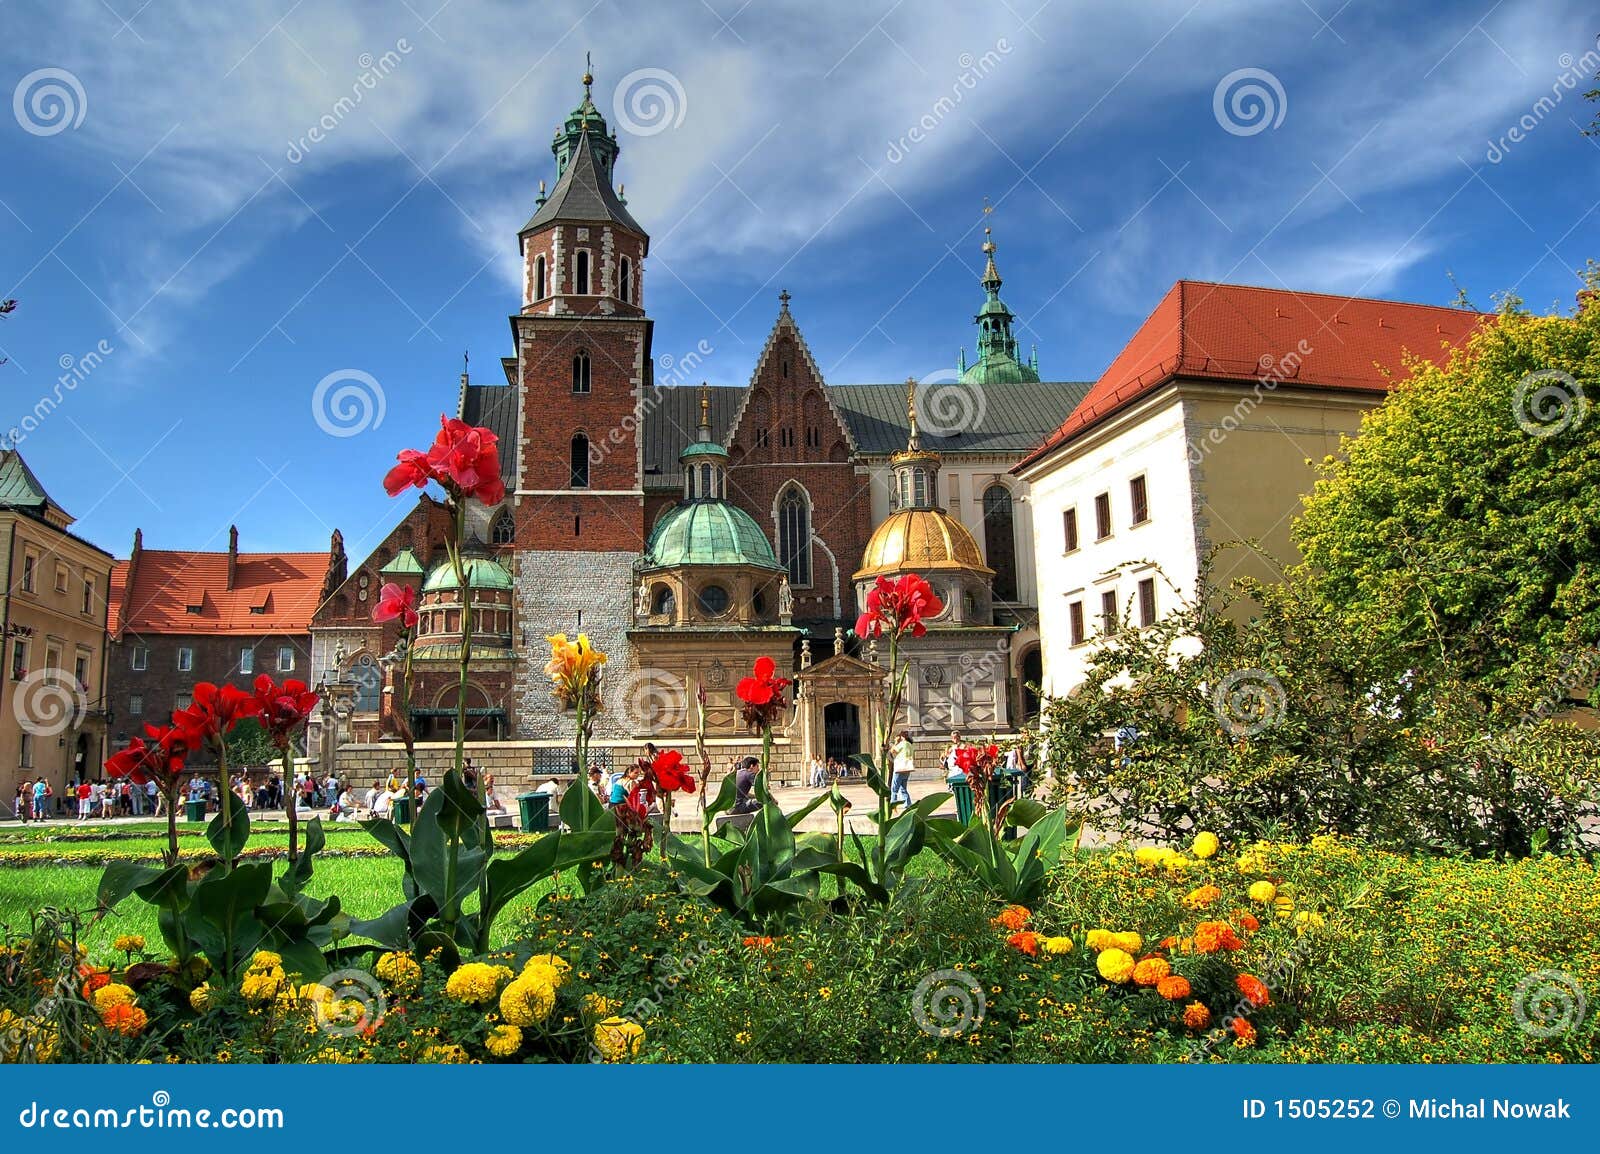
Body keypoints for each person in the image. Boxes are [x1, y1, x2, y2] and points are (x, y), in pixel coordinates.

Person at [890, 730, 915, 809]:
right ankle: (908, 803)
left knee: (894, 788)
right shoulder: (910, 745)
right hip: (907, 769)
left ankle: (893, 803)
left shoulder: (902, 744)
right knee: (903, 788)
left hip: (899, 768)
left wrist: (895, 742)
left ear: (902, 737)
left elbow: (892, 751)